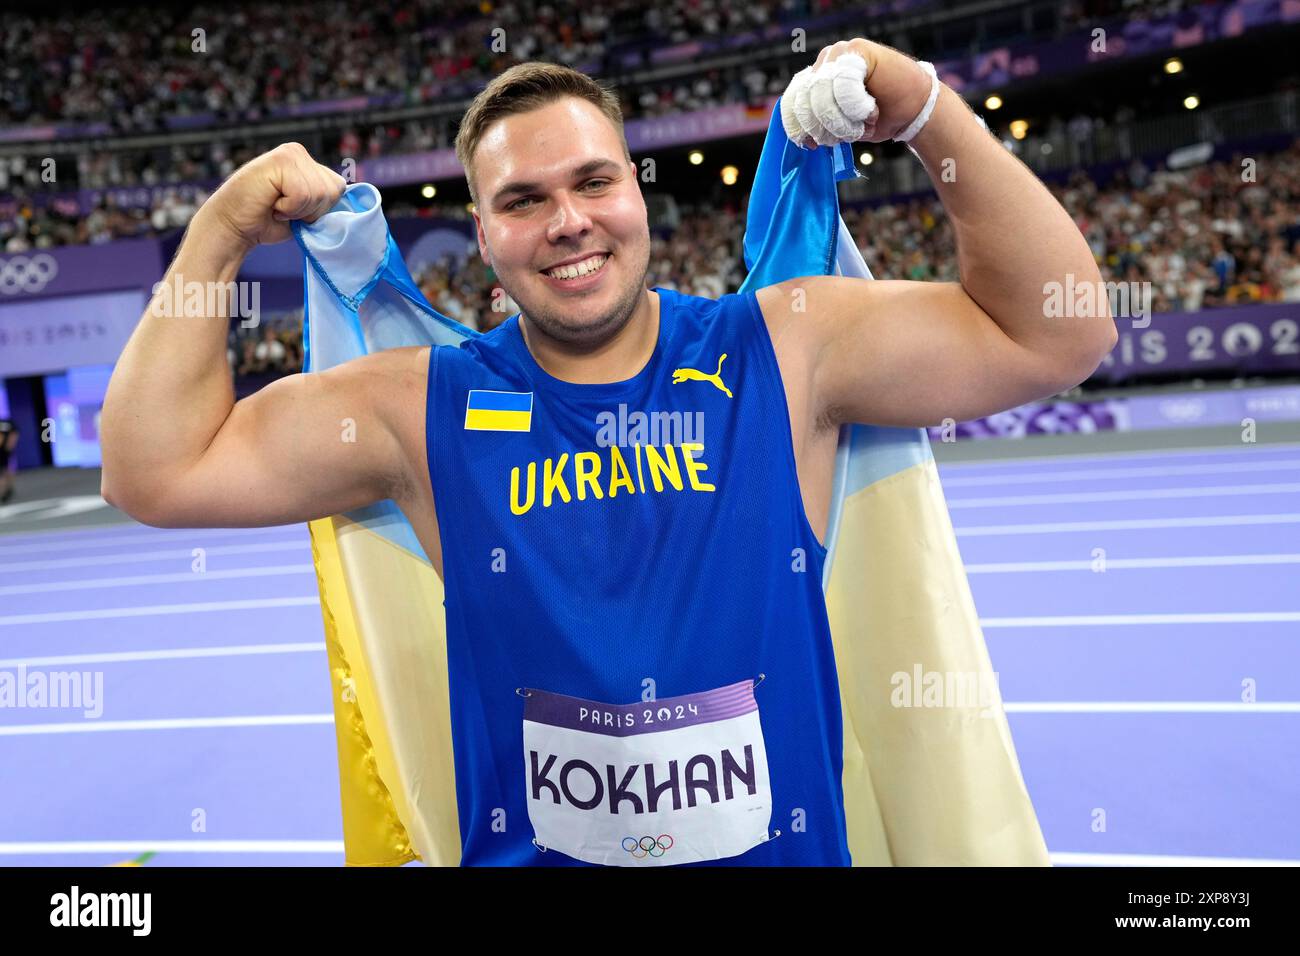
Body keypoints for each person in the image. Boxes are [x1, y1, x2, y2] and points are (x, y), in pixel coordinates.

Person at [100, 39, 1117, 866]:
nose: (568, 222)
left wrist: (930, 115)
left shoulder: (786, 345)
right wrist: (222, 228)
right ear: (483, 235)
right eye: (523, 200)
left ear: (638, 191)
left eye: (592, 181)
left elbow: (1055, 333)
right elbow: (155, 469)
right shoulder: (418, 405)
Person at [0, 418, 17, 504]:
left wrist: (10, 445)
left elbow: (14, 433)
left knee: (7, 470)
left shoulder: (7, 422)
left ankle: (8, 488)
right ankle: (4, 492)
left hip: (5, 451)